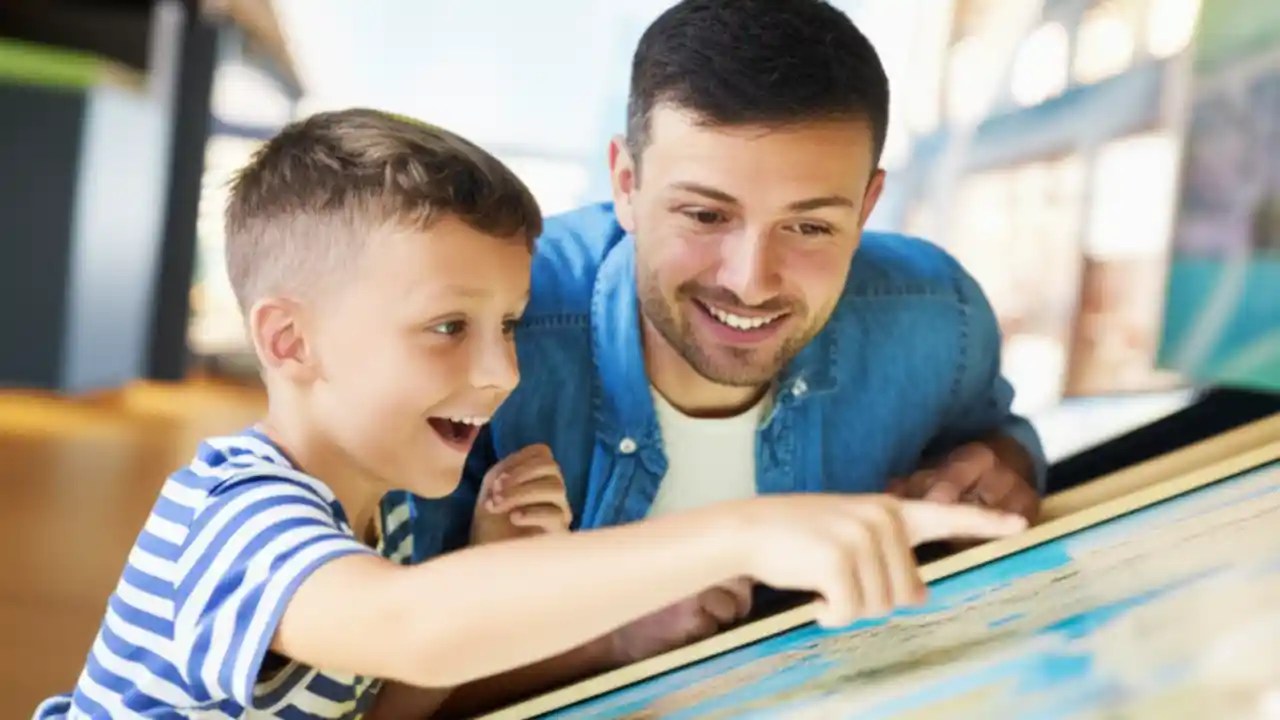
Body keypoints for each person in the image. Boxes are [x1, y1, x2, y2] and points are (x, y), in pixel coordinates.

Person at [33, 109, 1025, 719]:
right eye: (446, 327)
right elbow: (410, 632)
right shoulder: (231, 514)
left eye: (506, 324)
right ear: (289, 341)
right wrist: (754, 529)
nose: (500, 371)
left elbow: (394, 703)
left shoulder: (382, 520)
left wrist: (489, 563)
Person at [403, 0, 1049, 712]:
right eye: (706, 216)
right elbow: (377, 688)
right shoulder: (484, 334)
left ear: (866, 208)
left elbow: (1001, 439)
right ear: (626, 184)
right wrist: (605, 637)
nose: (749, 279)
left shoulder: (937, 317)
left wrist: (999, 469)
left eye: (808, 225)